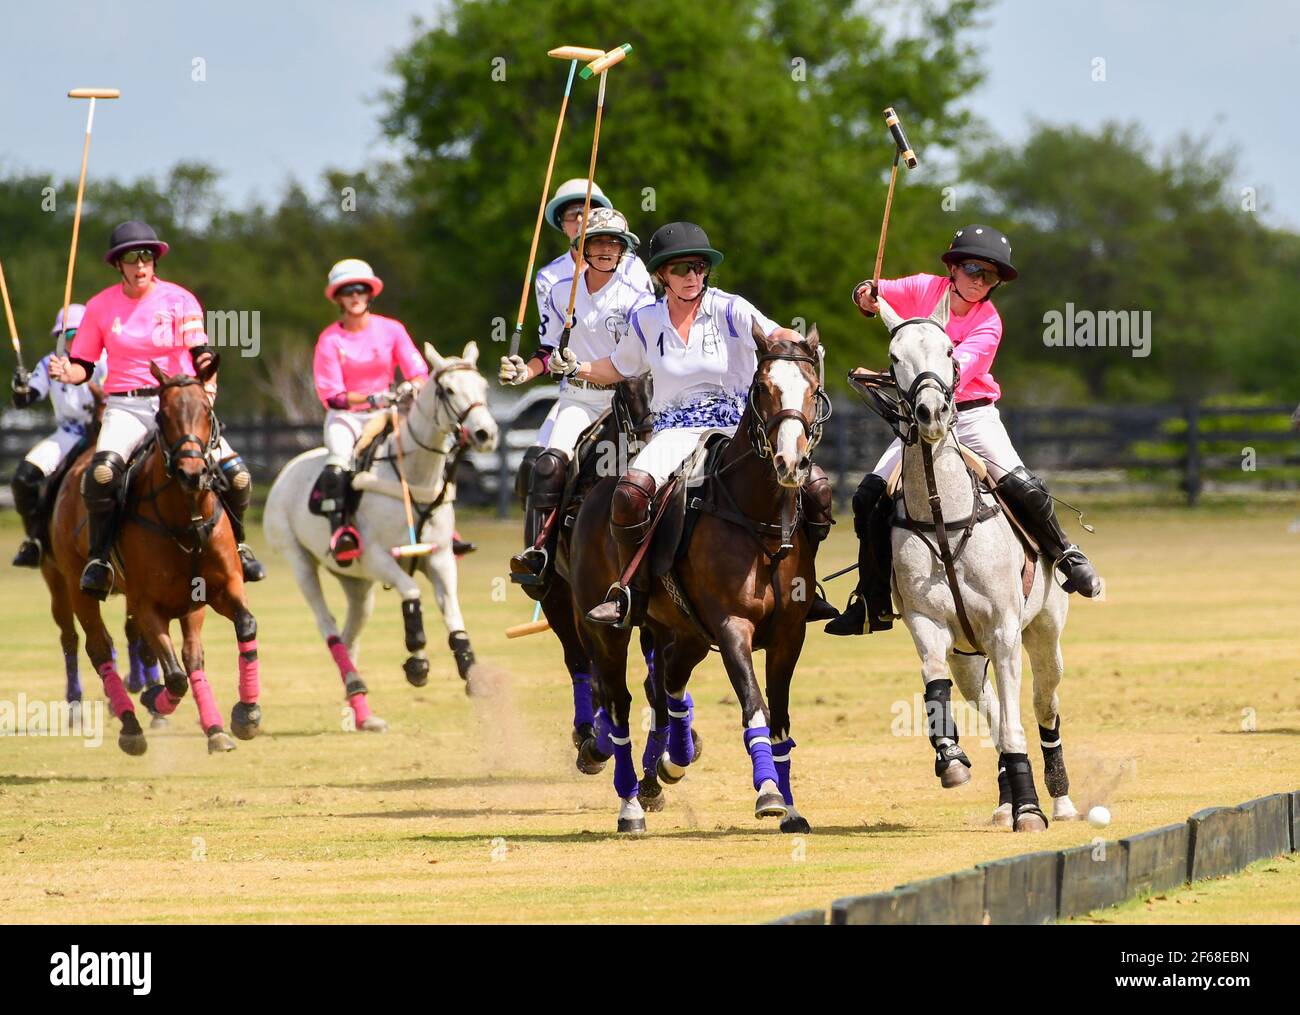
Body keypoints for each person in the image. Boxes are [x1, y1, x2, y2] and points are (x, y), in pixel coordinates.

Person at [546, 221, 836, 628]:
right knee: (629, 494)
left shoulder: (729, 308)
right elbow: (618, 367)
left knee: (819, 489)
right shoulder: (646, 319)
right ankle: (631, 592)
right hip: (675, 430)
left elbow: (775, 332)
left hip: (739, 426)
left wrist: (800, 342)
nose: (692, 277)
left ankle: (806, 589)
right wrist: (576, 366)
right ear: (662, 274)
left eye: (699, 268)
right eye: (681, 269)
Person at [825, 223, 1102, 637]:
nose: (980, 281)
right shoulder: (924, 288)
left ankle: (1065, 553)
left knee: (1023, 485)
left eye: (989, 276)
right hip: (919, 417)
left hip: (970, 415)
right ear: (953, 268)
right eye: (973, 269)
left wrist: (915, 375)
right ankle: (872, 600)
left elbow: (958, 369)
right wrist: (864, 295)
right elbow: (876, 291)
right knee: (868, 498)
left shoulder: (989, 322)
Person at [48, 220, 266, 597]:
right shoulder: (100, 307)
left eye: (146, 255)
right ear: (118, 264)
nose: (140, 263)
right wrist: (69, 372)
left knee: (239, 476)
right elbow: (84, 364)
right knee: (101, 475)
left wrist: (206, 376)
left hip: (179, 405)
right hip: (126, 406)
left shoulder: (180, 300)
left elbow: (199, 352)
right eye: (132, 257)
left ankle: (241, 547)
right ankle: (100, 559)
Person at [500, 207, 653, 590]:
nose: (605, 250)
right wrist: (526, 371)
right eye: (597, 242)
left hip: (628, 401)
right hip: (580, 400)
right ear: (581, 248)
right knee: (549, 465)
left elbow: (640, 357)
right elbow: (548, 351)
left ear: (623, 251)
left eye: (613, 243)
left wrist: (582, 364)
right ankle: (539, 552)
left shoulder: (638, 296)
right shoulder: (559, 293)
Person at [312, 258, 429, 565]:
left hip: (391, 413)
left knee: (432, 448)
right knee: (337, 463)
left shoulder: (392, 329)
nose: (355, 296)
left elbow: (418, 370)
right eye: (348, 290)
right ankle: (342, 532)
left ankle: (444, 529)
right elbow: (333, 395)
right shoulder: (330, 340)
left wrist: (412, 386)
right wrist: (371, 397)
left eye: (361, 290)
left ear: (369, 294)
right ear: (338, 297)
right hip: (348, 417)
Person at [9, 304, 106, 567]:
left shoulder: (105, 359)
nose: (73, 341)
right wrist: (20, 386)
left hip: (108, 431)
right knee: (23, 479)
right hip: (69, 434)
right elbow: (27, 398)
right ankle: (36, 540)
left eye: (79, 334)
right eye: (67, 335)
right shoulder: (49, 363)